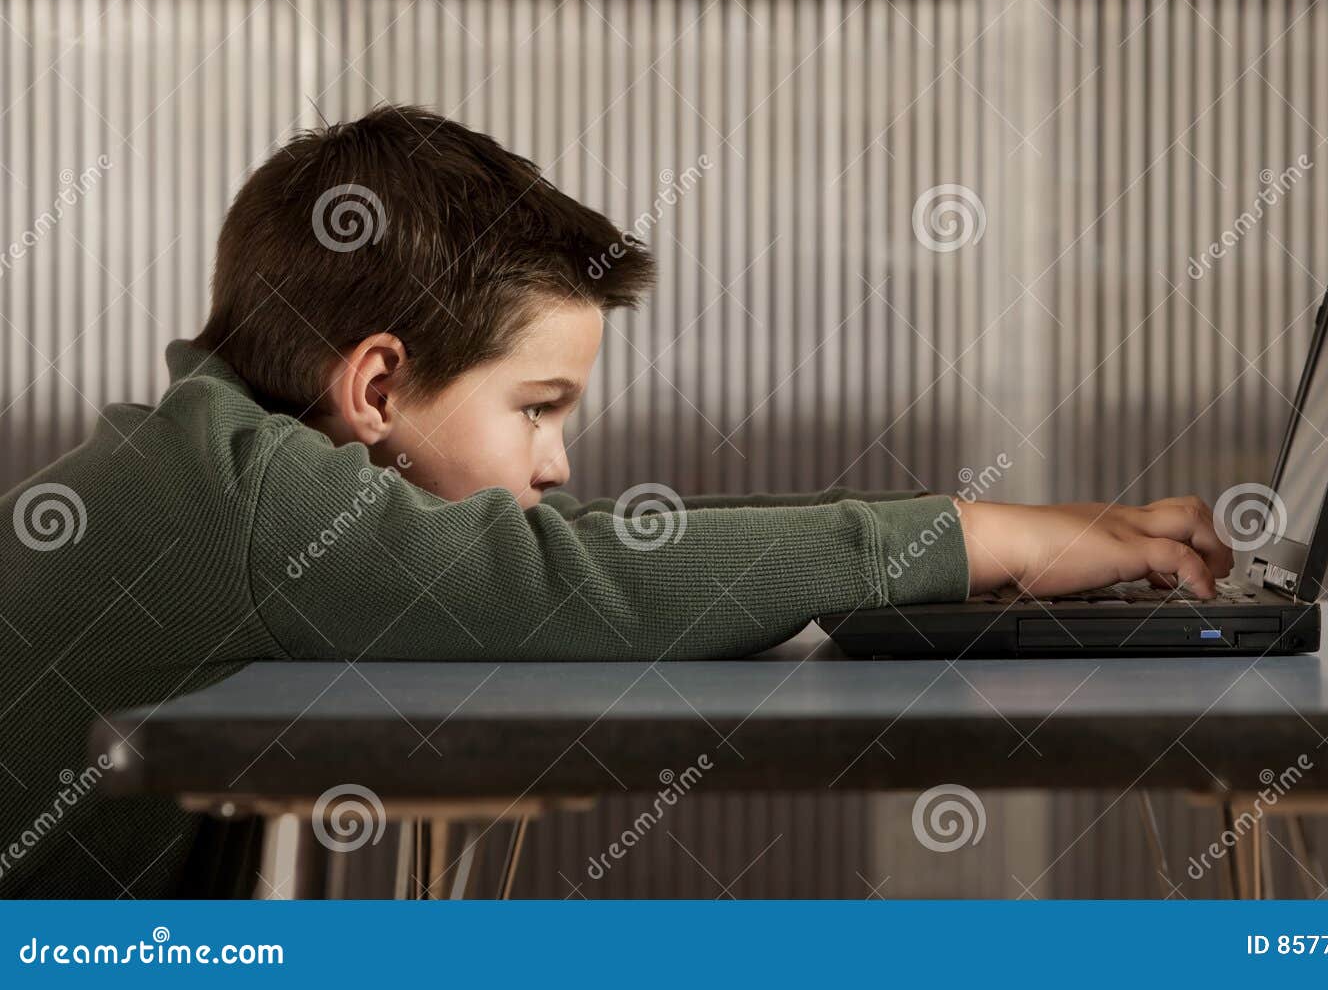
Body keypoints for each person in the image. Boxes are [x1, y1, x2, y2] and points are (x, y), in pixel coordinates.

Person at [0, 103, 1231, 897]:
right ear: (376, 384)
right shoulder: (250, 498)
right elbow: (556, 583)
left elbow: (573, 550)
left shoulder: (221, 460)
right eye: (537, 408)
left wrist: (962, 534)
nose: (558, 464)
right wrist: (968, 536)